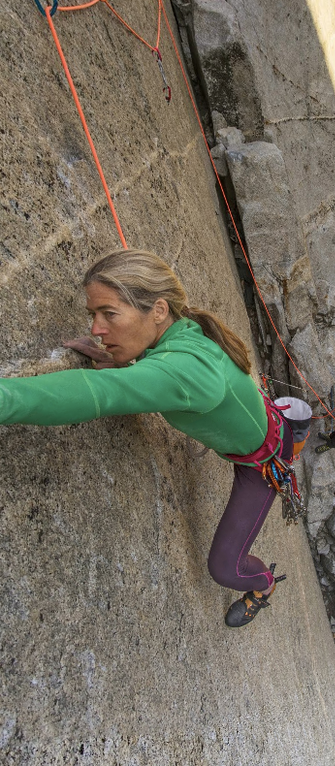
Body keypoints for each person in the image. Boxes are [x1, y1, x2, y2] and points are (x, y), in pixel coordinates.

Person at [0, 249, 291, 628]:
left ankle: (263, 585)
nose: (96, 330)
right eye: (94, 315)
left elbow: (99, 393)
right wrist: (132, 362)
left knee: (224, 566)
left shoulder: (188, 373)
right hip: (256, 427)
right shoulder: (180, 330)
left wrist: (128, 371)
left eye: (109, 314)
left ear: (158, 309)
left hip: (262, 462)